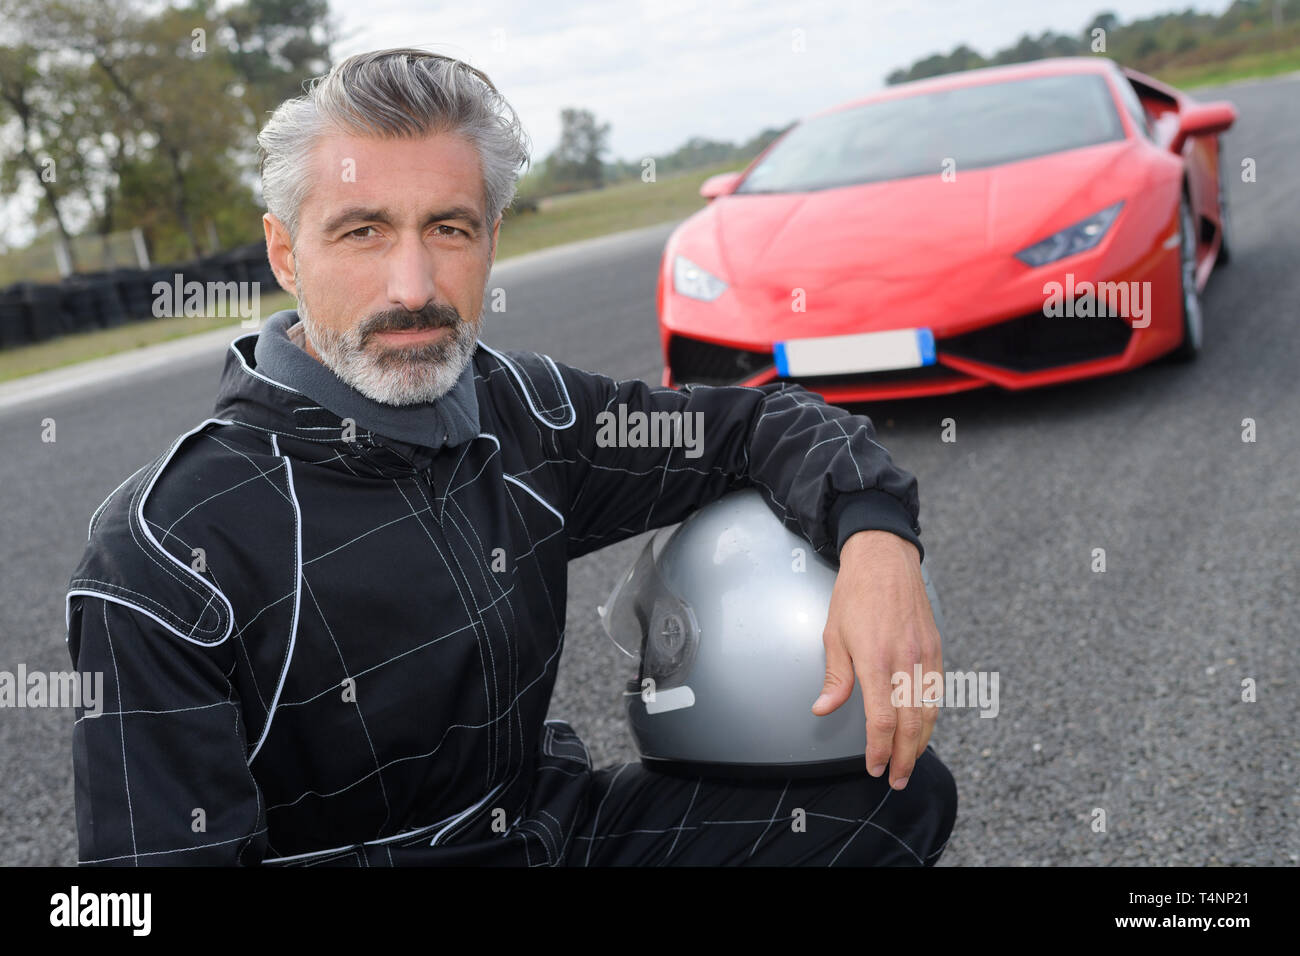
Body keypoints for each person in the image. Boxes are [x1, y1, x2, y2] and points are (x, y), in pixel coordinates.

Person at [64, 48, 956, 866]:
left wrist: (878, 544)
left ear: (491, 241)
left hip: (546, 835)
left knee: (888, 803)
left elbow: (758, 426)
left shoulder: (525, 410)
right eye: (363, 232)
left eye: (448, 229)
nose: (411, 287)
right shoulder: (165, 549)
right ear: (286, 253)